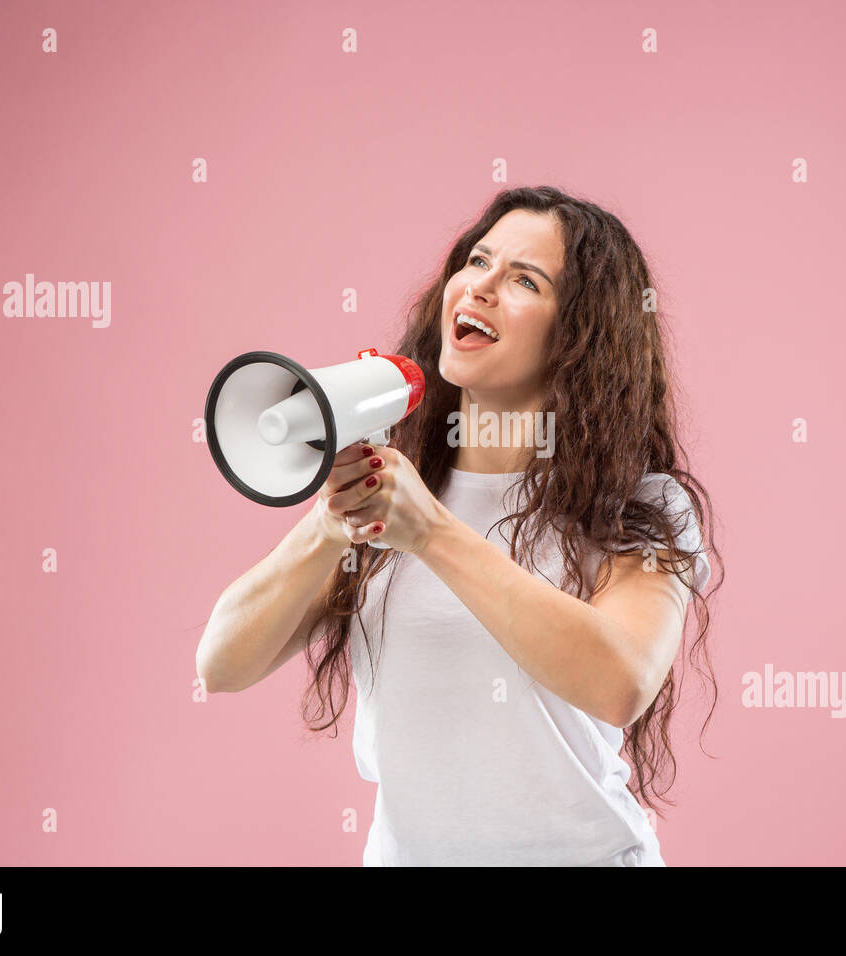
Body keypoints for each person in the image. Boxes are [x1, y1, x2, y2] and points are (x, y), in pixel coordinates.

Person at [196, 185, 723, 865]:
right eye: (476, 262)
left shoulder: (639, 507)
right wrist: (331, 526)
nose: (479, 287)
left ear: (580, 333)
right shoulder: (396, 489)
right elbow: (222, 662)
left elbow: (620, 679)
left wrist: (433, 535)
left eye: (523, 279)